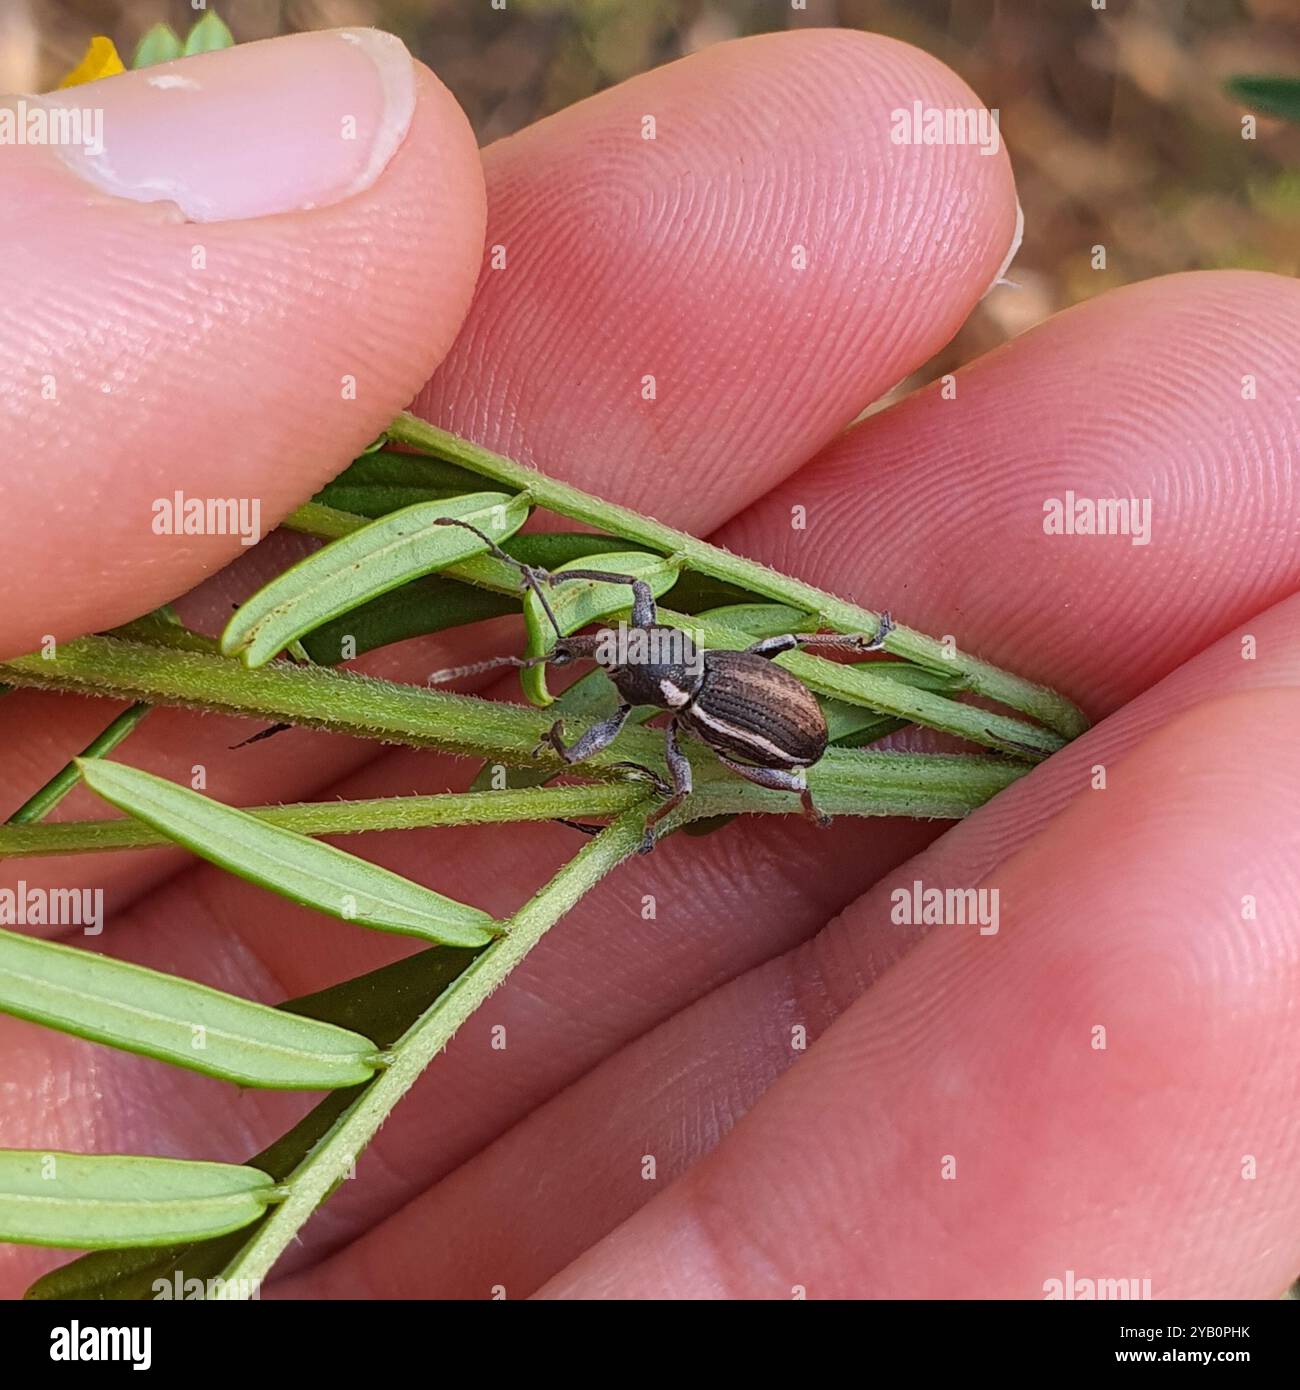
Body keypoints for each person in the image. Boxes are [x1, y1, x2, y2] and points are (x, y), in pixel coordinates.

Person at [1, 26, 1297, 1301]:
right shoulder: (643, 653)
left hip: (775, 732)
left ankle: (822, 714)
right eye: (602, 648)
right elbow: (620, 660)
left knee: (721, 742)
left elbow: (655, 721)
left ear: (647, 651)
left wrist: (652, 759)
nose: (593, 654)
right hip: (744, 706)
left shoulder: (667, 684)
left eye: (607, 647)